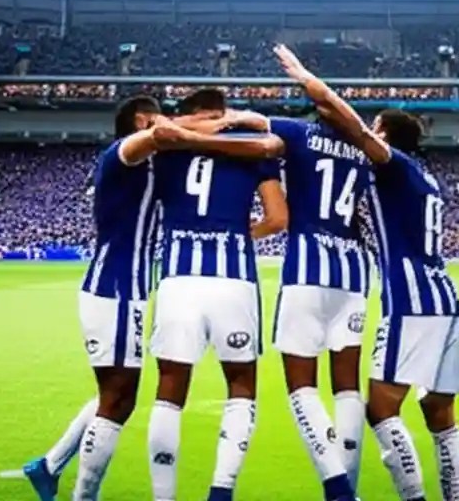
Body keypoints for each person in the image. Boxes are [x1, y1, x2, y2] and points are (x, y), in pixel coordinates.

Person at [22, 93, 283, 501]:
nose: (172, 121)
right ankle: (81, 494)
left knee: (118, 392)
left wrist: (225, 122)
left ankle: (50, 465)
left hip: (136, 287)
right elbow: (165, 133)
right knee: (117, 399)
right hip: (116, 288)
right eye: (160, 115)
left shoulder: (159, 162)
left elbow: (173, 136)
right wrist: (224, 124)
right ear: (143, 120)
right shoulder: (124, 152)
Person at [274, 44, 459, 501]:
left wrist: (306, 77)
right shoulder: (427, 178)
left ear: (384, 135)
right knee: (441, 413)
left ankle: (414, 498)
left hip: (411, 300)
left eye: (375, 129)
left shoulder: (393, 165)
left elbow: (353, 126)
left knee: (381, 410)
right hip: (447, 298)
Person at [145, 88, 288, 501]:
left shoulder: (166, 147)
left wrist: (188, 132)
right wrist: (244, 234)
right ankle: (221, 492)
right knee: (241, 385)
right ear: (219, 113)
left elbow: (155, 128)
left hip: (178, 278)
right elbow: (278, 218)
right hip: (234, 280)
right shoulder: (253, 149)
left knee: (169, 388)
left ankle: (163, 496)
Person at [256, 110, 374, 501]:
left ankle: (338, 488)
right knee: (347, 387)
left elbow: (245, 120)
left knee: (301, 386)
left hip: (308, 270)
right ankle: (348, 485)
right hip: (355, 273)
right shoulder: (363, 149)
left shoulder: (298, 133)